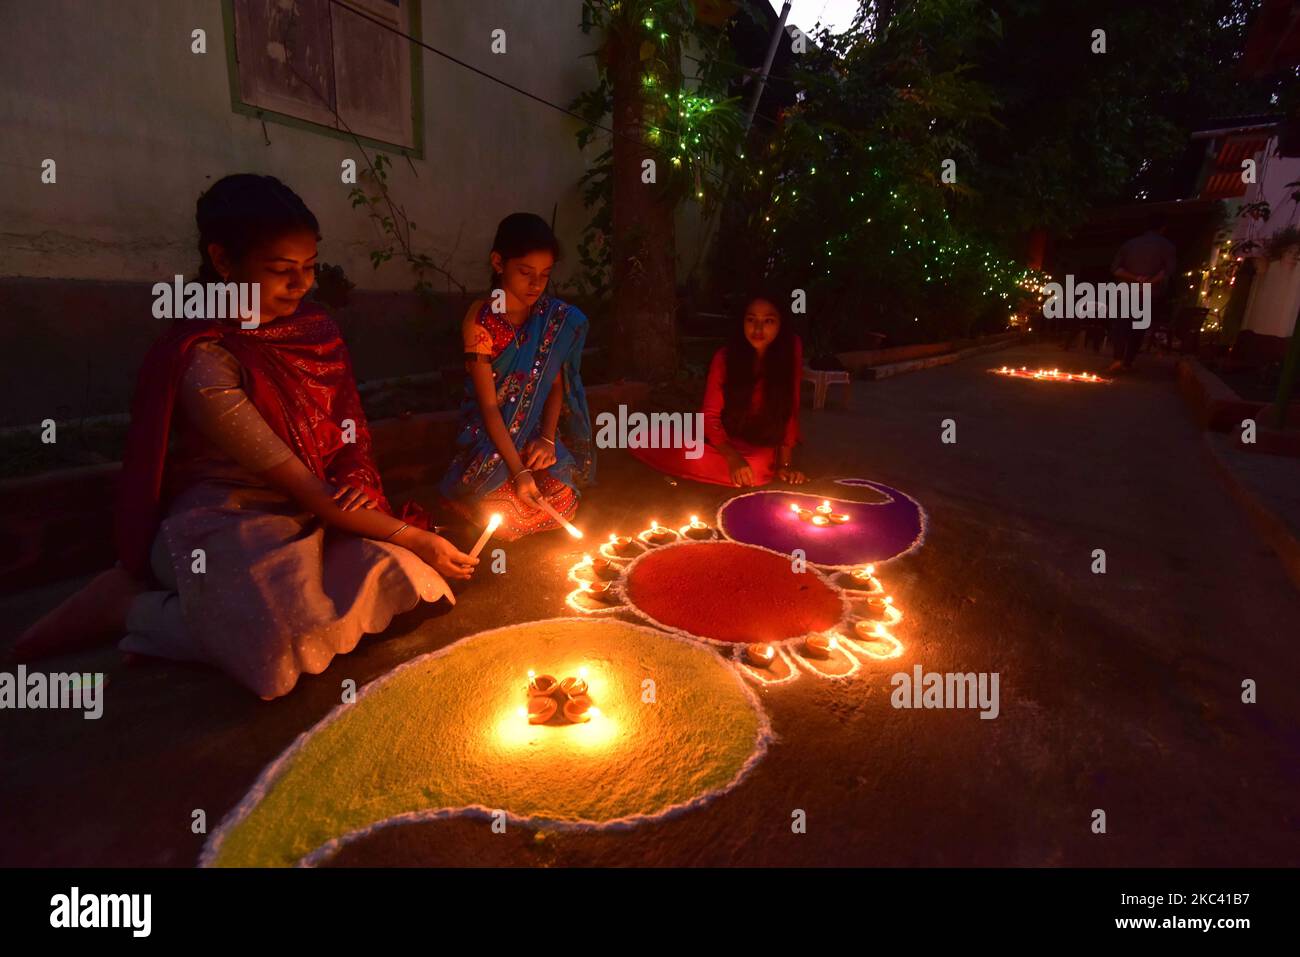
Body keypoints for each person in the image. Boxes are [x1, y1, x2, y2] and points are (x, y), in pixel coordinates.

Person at [11, 174, 476, 699]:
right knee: (281, 648)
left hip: (315, 509)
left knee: (415, 585)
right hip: (224, 520)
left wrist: (357, 483)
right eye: (281, 271)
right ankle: (133, 607)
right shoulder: (203, 359)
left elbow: (346, 434)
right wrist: (413, 535)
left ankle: (235, 615)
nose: (301, 285)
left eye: (309, 267)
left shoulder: (314, 330)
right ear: (224, 261)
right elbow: (304, 485)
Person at [438, 213, 594, 540]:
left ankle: (502, 498)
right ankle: (474, 503)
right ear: (498, 262)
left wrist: (548, 439)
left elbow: (554, 386)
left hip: (532, 430)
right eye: (525, 273)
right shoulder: (481, 321)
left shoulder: (550, 317)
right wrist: (520, 472)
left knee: (561, 498)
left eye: (545, 275)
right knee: (508, 514)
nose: (536, 284)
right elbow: (490, 408)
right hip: (490, 432)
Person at [631, 294, 808, 487]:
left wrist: (785, 465)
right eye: (751, 320)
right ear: (742, 321)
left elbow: (790, 408)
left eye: (768, 321)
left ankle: (747, 467)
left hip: (759, 446)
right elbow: (710, 415)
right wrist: (732, 458)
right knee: (643, 438)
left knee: (755, 469)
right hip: (723, 439)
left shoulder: (790, 351)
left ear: (781, 323)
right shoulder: (725, 357)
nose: (758, 329)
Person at [1109, 214, 1176, 371]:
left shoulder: (1129, 244)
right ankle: (1128, 361)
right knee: (1137, 327)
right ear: (1163, 228)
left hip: (1125, 291)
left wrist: (1134, 277)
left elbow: (1116, 269)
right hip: (1148, 294)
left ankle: (1118, 358)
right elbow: (1167, 272)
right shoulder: (1167, 246)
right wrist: (1149, 281)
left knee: (1120, 324)